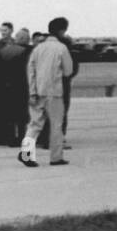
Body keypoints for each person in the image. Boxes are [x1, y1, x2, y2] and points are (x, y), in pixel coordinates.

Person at [20, 16, 74, 168]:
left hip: (37, 91)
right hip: (54, 92)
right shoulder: (61, 48)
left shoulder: (38, 48)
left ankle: (26, 153)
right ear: (62, 31)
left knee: (34, 125)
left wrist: (32, 91)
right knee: (56, 126)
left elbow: (30, 71)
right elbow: (68, 71)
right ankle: (56, 157)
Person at [0, 29, 31, 144]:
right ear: (24, 39)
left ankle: (9, 137)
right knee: (22, 113)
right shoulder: (27, 51)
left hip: (6, 85)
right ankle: (21, 136)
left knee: (9, 112)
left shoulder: (3, 50)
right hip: (22, 85)